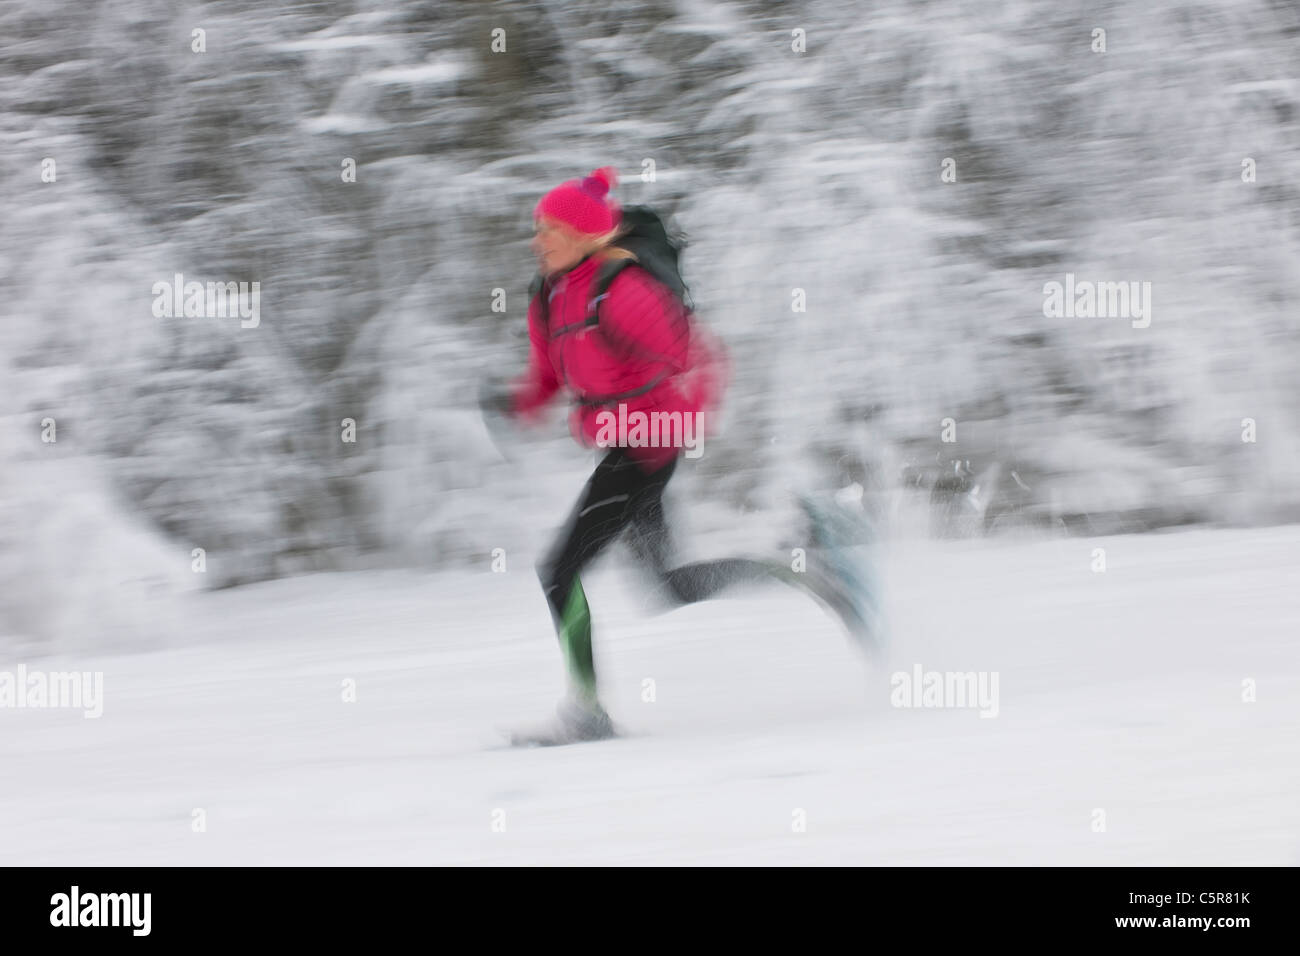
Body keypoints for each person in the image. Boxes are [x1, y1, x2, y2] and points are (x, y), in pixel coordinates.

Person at [494, 166, 862, 743]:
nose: (538, 241)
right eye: (537, 229)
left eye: (550, 230)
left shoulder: (624, 291)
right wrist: (516, 406)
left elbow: (704, 357)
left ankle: (587, 712)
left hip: (647, 445)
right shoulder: (548, 298)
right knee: (667, 587)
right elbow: (547, 376)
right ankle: (805, 568)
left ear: (585, 235)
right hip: (625, 445)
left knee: (559, 572)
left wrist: (675, 422)